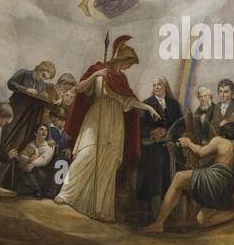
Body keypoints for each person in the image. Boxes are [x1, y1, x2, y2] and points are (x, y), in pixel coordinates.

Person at [55, 36, 161, 221]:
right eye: (128, 62)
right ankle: (67, 194)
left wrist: (148, 107)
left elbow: (129, 100)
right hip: (97, 117)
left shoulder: (122, 79)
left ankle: (99, 208)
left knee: (109, 162)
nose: (129, 66)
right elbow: (79, 89)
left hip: (115, 123)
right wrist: (95, 76)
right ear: (121, 59)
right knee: (86, 154)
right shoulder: (98, 69)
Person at [140, 122, 234, 232]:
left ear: (223, 134)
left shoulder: (219, 140)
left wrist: (188, 143)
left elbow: (201, 153)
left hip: (214, 180)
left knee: (179, 177)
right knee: (202, 221)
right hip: (226, 189)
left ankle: (158, 224)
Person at [136, 76, 185, 209]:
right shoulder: (146, 103)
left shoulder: (174, 104)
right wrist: (153, 131)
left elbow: (180, 125)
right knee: (155, 181)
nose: (156, 87)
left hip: (171, 147)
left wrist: (167, 131)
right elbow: (140, 126)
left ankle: (171, 211)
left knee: (171, 178)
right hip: (153, 149)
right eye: (154, 85)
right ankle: (155, 212)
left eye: (159, 85)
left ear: (165, 87)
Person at [9, 124, 57, 197]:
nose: (44, 132)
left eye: (46, 130)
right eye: (41, 129)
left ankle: (38, 190)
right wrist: (29, 159)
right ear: (35, 133)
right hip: (26, 170)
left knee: (33, 172)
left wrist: (33, 163)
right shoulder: (31, 144)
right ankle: (32, 190)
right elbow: (21, 157)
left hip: (41, 173)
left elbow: (44, 159)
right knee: (22, 172)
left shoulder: (49, 146)